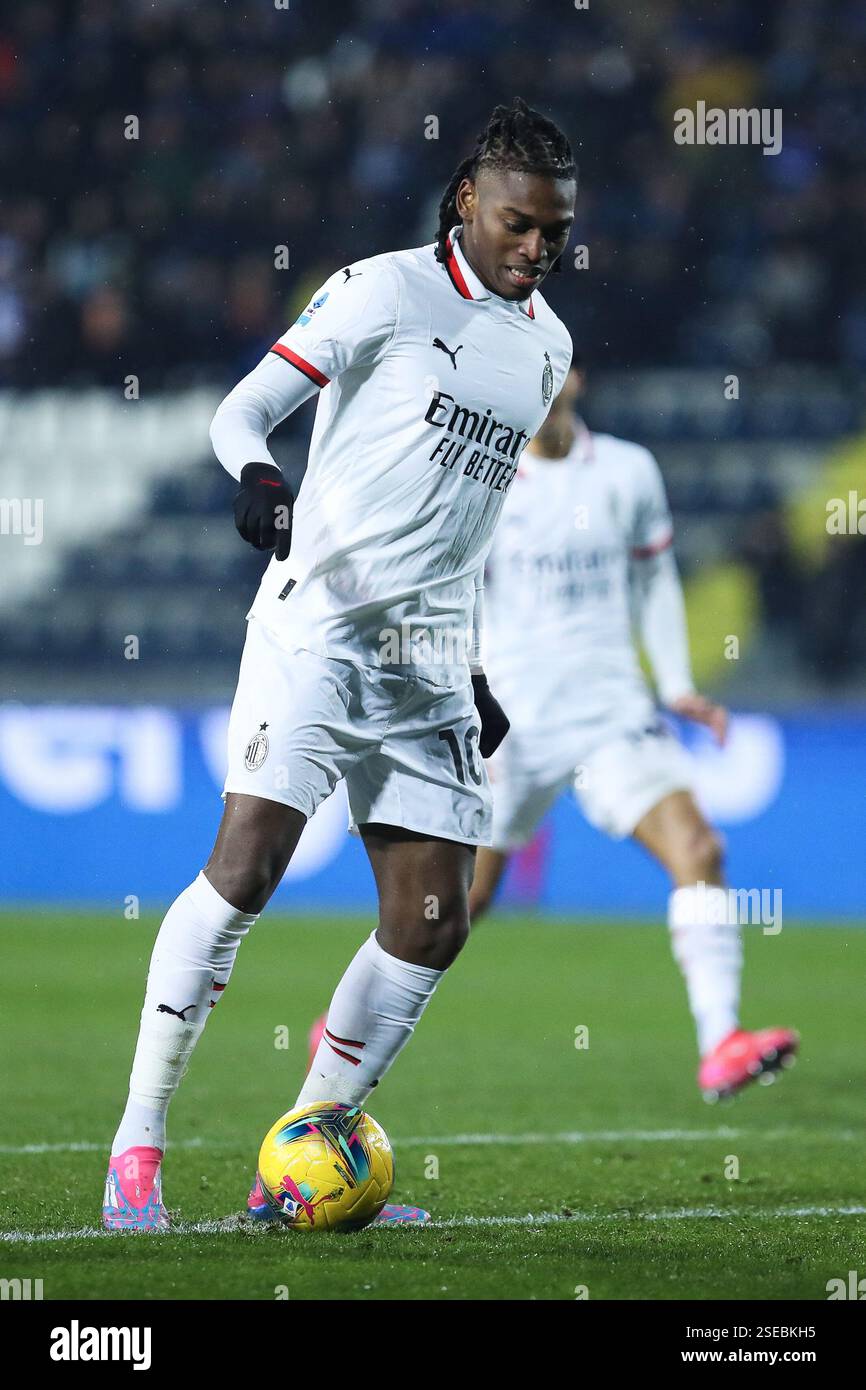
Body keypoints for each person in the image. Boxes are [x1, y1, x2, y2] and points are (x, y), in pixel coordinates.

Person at [102, 98, 576, 1231]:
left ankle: (298, 1161)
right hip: (318, 626)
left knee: (429, 917)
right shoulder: (379, 289)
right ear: (467, 199)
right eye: (518, 224)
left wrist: (468, 663)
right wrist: (260, 477)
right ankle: (137, 1147)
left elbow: (465, 513)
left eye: (553, 233)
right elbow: (244, 409)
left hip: (429, 659)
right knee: (249, 866)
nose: (535, 249)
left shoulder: (547, 347)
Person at [467, 364, 798, 1102]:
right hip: (513, 725)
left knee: (701, 849)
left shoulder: (626, 471)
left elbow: (654, 581)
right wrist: (465, 691)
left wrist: (676, 684)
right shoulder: (483, 480)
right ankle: (345, 1031)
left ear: (576, 380)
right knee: (452, 911)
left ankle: (720, 1044)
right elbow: (453, 590)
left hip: (613, 711)